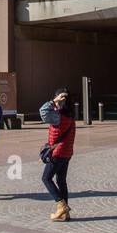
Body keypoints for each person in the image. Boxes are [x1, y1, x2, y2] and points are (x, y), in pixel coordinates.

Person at [38, 88, 76, 222]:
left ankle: (61, 206)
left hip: (58, 153)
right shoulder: (70, 115)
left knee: (46, 178)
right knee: (61, 181)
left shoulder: (57, 116)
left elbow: (42, 111)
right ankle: (65, 213)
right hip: (67, 152)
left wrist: (53, 101)